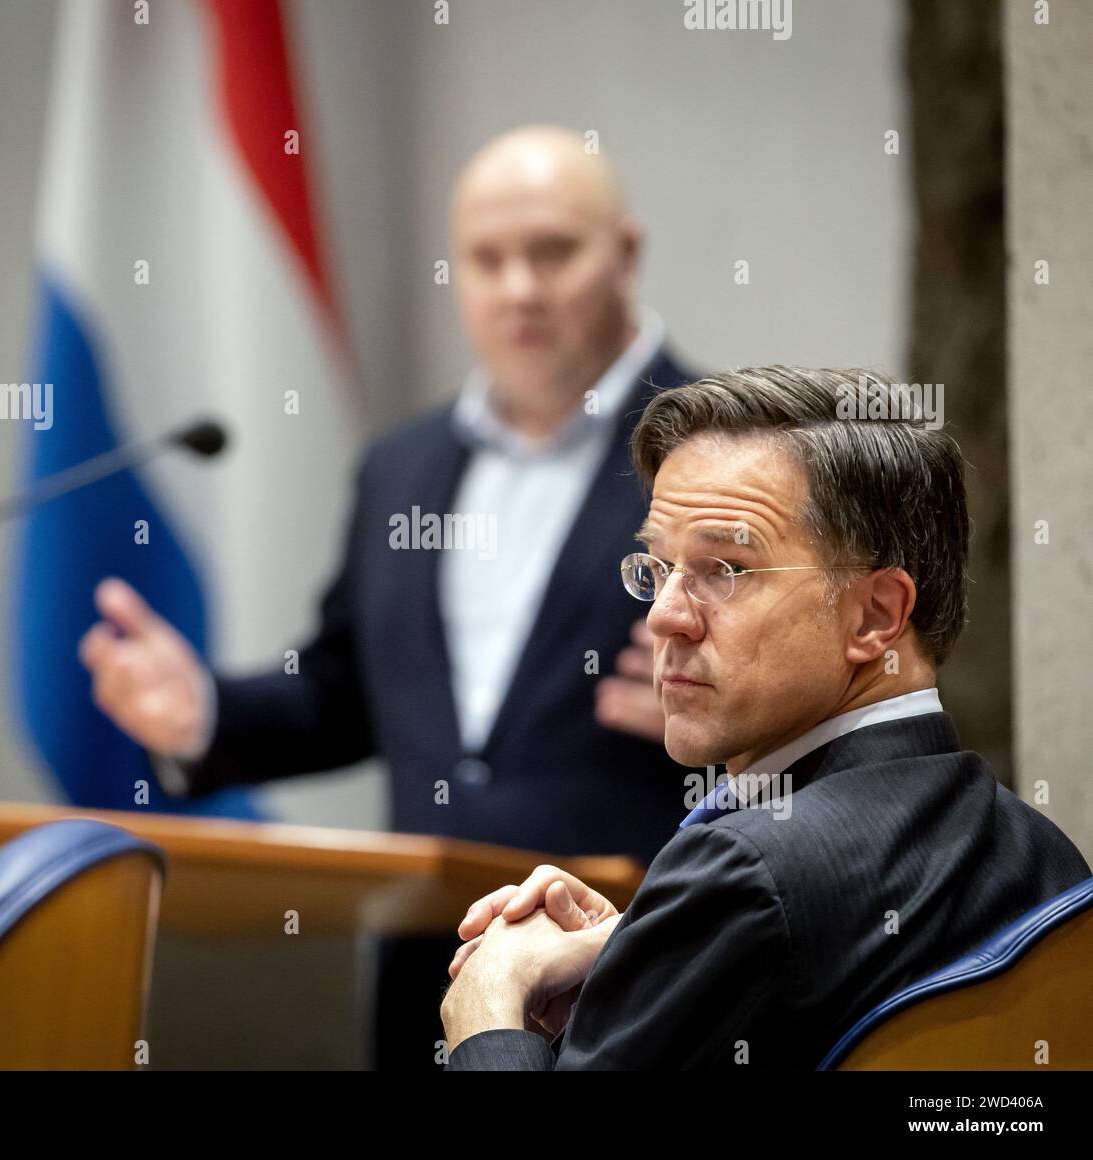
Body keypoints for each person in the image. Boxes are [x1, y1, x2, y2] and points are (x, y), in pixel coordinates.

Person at [78, 125, 696, 1067]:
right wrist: (204, 712)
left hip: (638, 964)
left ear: (628, 252)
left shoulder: (727, 449)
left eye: (554, 252)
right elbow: (348, 690)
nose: (519, 287)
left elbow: (824, 697)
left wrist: (729, 717)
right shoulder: (401, 469)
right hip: (431, 972)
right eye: (488, 259)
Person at [442, 365, 1091, 1069]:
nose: (664, 617)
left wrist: (488, 1005)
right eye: (657, 569)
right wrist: (646, 955)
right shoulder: (1042, 850)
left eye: (725, 570)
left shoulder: (743, 871)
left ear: (876, 616)